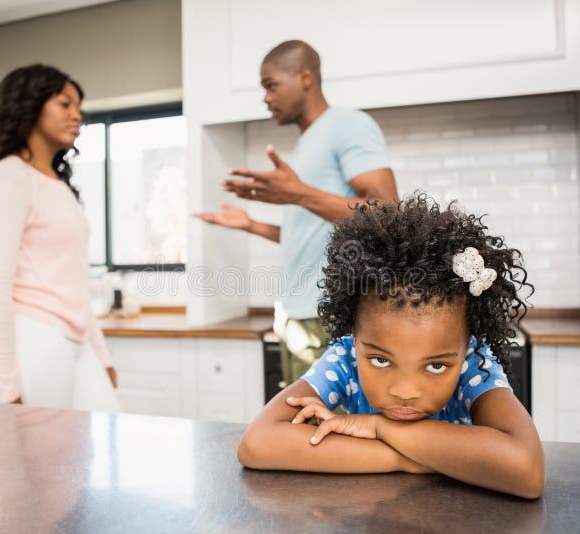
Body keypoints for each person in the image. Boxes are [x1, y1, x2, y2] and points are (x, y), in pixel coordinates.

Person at [237, 193, 545, 499]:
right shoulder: (346, 358)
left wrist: (379, 428)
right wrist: (411, 458)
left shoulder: (473, 363)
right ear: (353, 336)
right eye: (381, 360)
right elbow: (258, 443)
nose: (405, 390)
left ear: (467, 346)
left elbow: (526, 470)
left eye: (436, 366)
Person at [195, 40, 399, 384]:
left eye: (270, 85)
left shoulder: (348, 124)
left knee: (327, 431)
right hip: (296, 317)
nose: (265, 97)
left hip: (328, 315)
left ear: (306, 78)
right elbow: (310, 236)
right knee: (301, 432)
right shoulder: (307, 144)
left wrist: (298, 193)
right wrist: (250, 225)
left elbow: (389, 215)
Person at [0, 64, 120, 411]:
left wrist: (101, 353)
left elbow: (74, 282)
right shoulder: (9, 175)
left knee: (102, 441)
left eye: (79, 107)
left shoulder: (58, 184)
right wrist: (6, 390)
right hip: (30, 336)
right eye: (65, 104)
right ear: (29, 106)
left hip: (73, 338)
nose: (77, 115)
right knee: (38, 460)